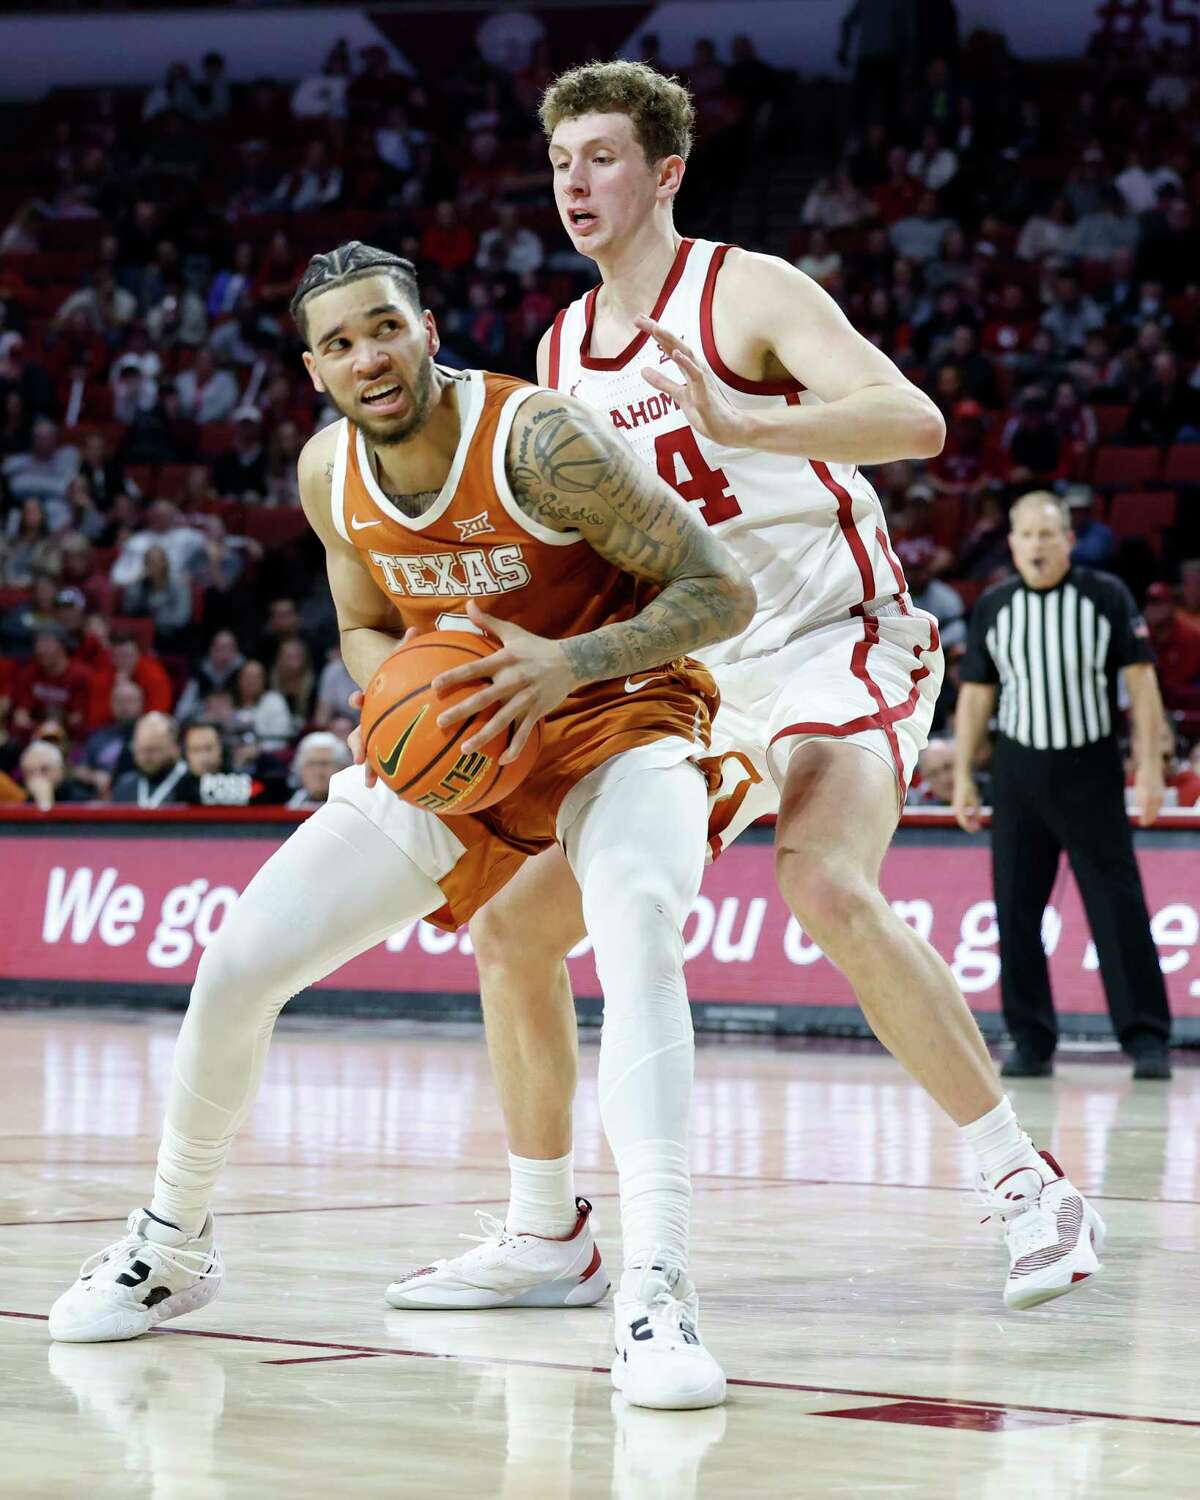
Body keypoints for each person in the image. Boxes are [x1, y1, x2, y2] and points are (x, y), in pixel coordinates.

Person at [421, 61, 1104, 1327]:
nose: (576, 181)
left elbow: (914, 423)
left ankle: (1026, 1180)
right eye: (563, 158)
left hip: (839, 634)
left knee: (821, 877)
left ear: (666, 172)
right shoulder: (561, 347)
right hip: (696, 674)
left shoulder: (746, 288)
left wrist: (746, 419)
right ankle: (544, 1232)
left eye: (605, 156)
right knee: (512, 928)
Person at [49, 242, 757, 1414]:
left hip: (615, 715)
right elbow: (368, 631)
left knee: (636, 929)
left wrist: (563, 662)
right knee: (239, 964)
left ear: (427, 330)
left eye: (384, 327)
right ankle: (171, 1243)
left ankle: (660, 1285)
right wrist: (417, 701)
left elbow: (720, 589)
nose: (366, 356)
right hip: (469, 735)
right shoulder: (329, 473)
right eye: (338, 342)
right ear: (314, 369)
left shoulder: (540, 441)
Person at [953, 492, 1173, 1080]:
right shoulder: (994, 606)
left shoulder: (1105, 597)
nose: (1037, 546)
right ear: (1012, 543)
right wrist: (963, 779)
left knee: (1118, 905)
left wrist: (1148, 767)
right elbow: (977, 693)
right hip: (1018, 773)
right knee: (1015, 912)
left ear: (1069, 541)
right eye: (1026, 535)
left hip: (1091, 770)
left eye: (1048, 535)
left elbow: (1143, 684)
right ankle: (1030, 1039)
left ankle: (1147, 1038)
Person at [110, 711, 191, 807]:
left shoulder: (192, 784)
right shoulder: (124, 787)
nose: (146, 757)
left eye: (154, 749)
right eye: (141, 750)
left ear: (174, 748)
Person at [286, 729, 351, 807]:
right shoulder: (289, 807)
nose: (318, 772)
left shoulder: (353, 805)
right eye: (311, 764)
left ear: (342, 768)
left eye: (325, 764)